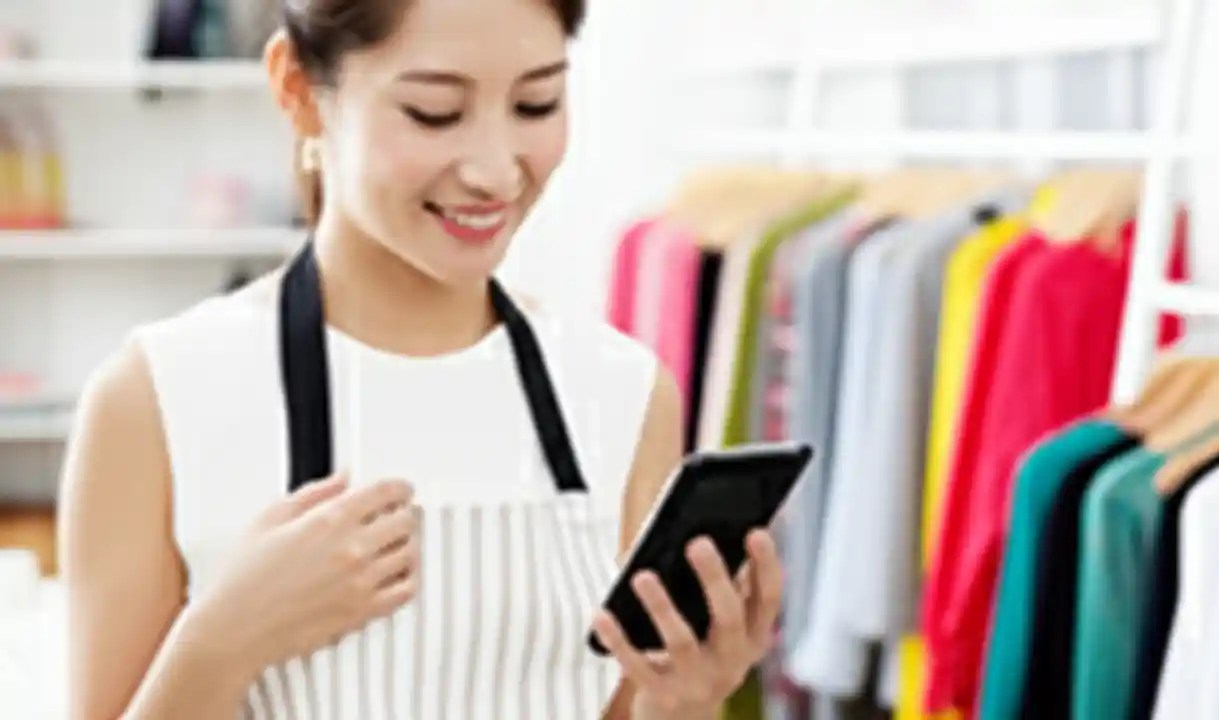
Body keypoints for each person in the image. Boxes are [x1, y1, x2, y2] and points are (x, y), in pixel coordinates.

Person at [57, 0, 784, 718]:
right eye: (435, 112)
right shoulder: (154, 398)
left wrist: (684, 703)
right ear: (299, 90)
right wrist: (221, 640)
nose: (497, 173)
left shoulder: (621, 394)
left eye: (536, 104)